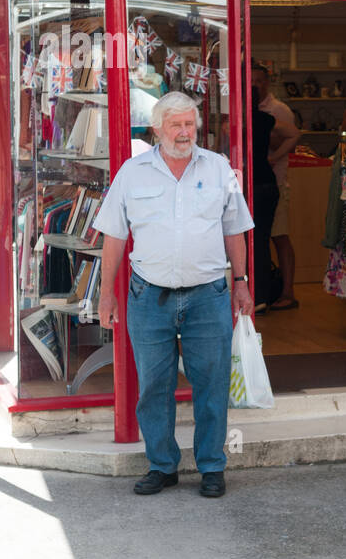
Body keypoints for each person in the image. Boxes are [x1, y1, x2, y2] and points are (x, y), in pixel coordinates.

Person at [94, 91, 254, 498]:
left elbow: (234, 229)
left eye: (189, 124)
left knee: (212, 384)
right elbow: (114, 236)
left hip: (208, 295)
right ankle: (162, 465)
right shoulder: (133, 172)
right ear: (158, 128)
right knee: (153, 386)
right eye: (175, 125)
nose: (184, 133)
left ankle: (212, 467)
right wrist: (107, 294)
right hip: (148, 296)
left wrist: (242, 281)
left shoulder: (219, 169)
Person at [251, 61, 301, 310]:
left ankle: (287, 291)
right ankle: (270, 292)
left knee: (278, 237)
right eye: (251, 82)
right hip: (265, 182)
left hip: (275, 181)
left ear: (267, 82)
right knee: (263, 238)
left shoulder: (277, 110)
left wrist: (273, 157)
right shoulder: (253, 111)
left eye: (259, 81)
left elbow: (294, 135)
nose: (255, 86)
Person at [250, 84, 279, 311]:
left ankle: (257, 295)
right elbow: (294, 133)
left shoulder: (236, 122)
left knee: (248, 240)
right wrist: (274, 157)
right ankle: (261, 296)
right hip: (267, 182)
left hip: (251, 184)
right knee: (261, 240)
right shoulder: (266, 120)